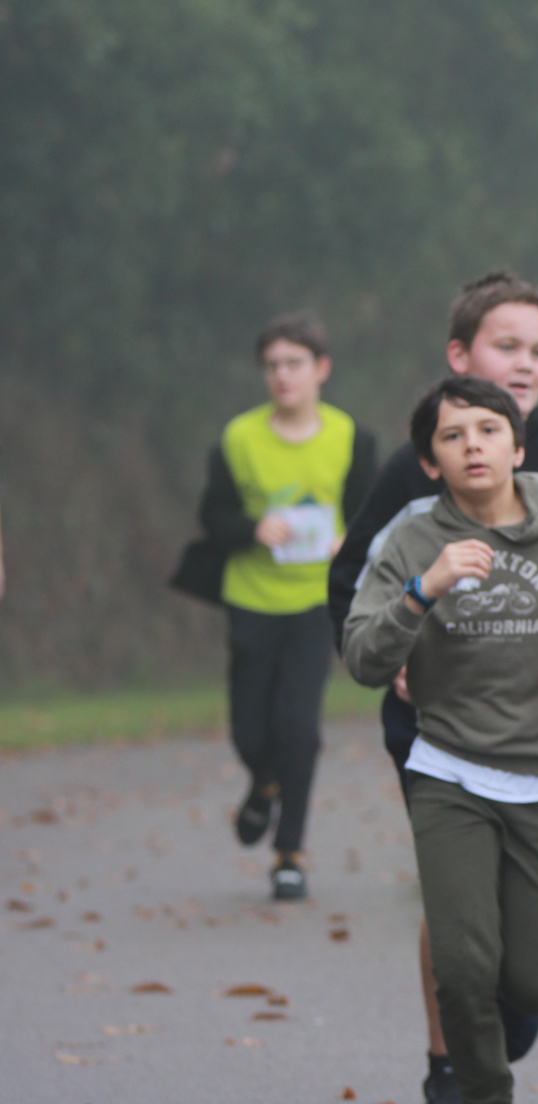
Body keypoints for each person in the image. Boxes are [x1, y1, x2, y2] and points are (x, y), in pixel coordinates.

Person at [327, 271, 538, 1104]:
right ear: (460, 356)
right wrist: (398, 645)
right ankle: (448, 1064)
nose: (527, 363)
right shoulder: (419, 461)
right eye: (508, 346)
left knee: (526, 935)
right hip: (436, 720)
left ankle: (512, 1005)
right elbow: (353, 581)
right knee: (455, 896)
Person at [175, 313, 378, 901]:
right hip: (252, 597)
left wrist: (349, 543)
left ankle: (290, 853)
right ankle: (264, 782)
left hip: (315, 601)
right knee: (249, 730)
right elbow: (212, 515)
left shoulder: (351, 438)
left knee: (299, 727)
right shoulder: (239, 438)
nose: (282, 375)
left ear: (321, 369)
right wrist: (251, 529)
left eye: (294, 363)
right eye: (272, 366)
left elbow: (371, 515)